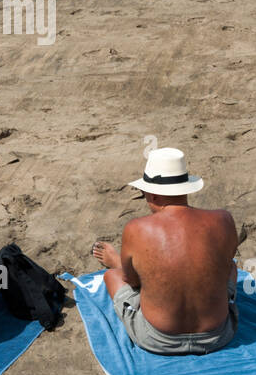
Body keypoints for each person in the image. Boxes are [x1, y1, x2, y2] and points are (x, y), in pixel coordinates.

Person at [91, 146, 239, 356]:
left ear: (152, 194)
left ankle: (116, 263)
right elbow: (225, 265)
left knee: (112, 276)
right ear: (186, 188)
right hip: (218, 335)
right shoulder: (224, 219)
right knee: (232, 268)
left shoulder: (137, 228)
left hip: (158, 339)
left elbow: (133, 282)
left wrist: (119, 264)